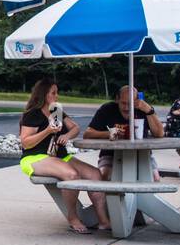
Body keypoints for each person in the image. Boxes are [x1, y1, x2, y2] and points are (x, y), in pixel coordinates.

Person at [16, 77, 112, 234]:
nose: (56, 96)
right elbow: (26, 143)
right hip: (35, 157)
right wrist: (47, 130)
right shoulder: (32, 115)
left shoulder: (56, 110)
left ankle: (103, 220)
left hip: (60, 156)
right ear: (44, 94)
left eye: (57, 92)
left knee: (95, 174)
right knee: (71, 174)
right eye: (53, 93)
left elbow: (75, 128)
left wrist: (67, 136)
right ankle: (73, 217)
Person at [83, 86, 165, 180]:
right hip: (110, 154)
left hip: (142, 154)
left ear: (137, 100)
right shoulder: (107, 109)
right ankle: (114, 195)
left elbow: (160, 134)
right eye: (123, 103)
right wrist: (108, 133)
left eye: (130, 104)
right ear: (117, 99)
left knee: (154, 178)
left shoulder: (144, 109)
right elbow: (87, 134)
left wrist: (149, 111)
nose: (126, 108)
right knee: (105, 176)